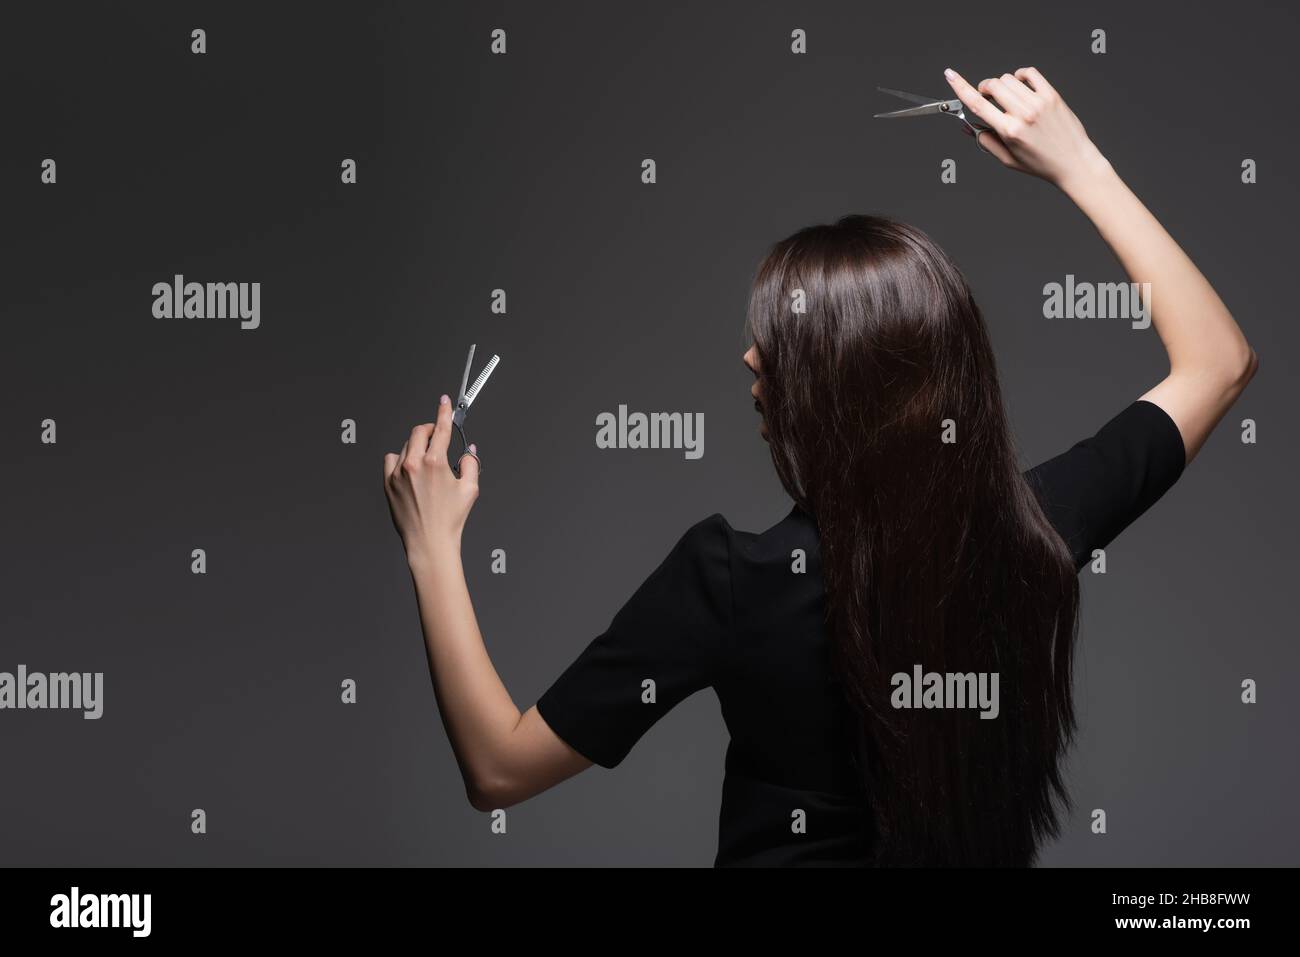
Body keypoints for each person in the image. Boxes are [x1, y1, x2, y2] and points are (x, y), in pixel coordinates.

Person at [382, 66, 1257, 866]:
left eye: (782, 341)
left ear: (842, 390)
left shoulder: (729, 581)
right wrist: (1080, 163)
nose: (752, 361)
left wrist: (432, 547)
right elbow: (1219, 362)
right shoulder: (1035, 530)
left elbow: (498, 769)